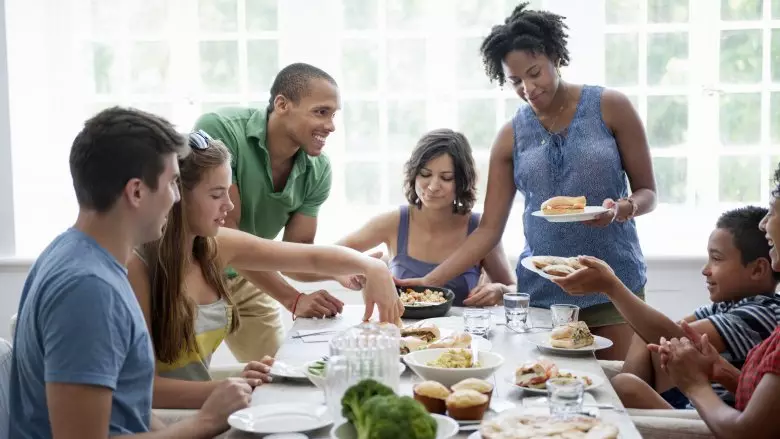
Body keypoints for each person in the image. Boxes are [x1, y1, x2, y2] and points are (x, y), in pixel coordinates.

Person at [396, 2, 657, 360]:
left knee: (615, 393)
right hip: (542, 293)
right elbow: (488, 230)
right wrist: (430, 281)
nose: (528, 88)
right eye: (516, 81)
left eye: (535, 73)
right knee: (548, 392)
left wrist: (623, 209)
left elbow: (648, 193)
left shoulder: (611, 107)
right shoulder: (510, 136)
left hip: (614, 284)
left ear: (554, 56)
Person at [9, 107, 254, 439]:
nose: (177, 198)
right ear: (136, 191)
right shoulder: (88, 290)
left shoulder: (79, 255)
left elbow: (129, 406)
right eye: (172, 184)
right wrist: (203, 423)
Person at [127, 131, 402, 409]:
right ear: (177, 195)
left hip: (205, 408)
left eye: (228, 191)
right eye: (216, 194)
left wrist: (373, 267)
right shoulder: (136, 267)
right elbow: (144, 389)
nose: (229, 205)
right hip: (160, 419)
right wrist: (227, 387)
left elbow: (310, 259)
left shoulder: (213, 245)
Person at [194, 62, 400, 362]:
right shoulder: (220, 130)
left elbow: (296, 256)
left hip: (247, 278)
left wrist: (340, 268)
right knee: (186, 375)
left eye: (333, 114)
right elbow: (227, 235)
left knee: (282, 371)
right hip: (196, 270)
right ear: (282, 104)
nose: (331, 125)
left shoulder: (317, 170)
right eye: (321, 111)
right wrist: (293, 299)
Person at [552, 206, 780, 410]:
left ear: (758, 270)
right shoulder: (726, 306)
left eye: (717, 259)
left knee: (627, 384)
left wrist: (612, 287)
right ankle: (616, 407)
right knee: (642, 345)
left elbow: (679, 338)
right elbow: (665, 332)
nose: (705, 270)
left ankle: (616, 409)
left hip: (707, 416)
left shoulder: (763, 313)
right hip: (690, 401)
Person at [296, 128, 516, 306]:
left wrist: (500, 290)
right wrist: (340, 274)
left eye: (446, 178)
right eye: (425, 174)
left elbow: (514, 289)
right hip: (402, 340)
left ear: (462, 181)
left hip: (460, 349)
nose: (432, 186)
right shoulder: (393, 222)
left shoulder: (481, 229)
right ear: (413, 174)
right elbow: (315, 262)